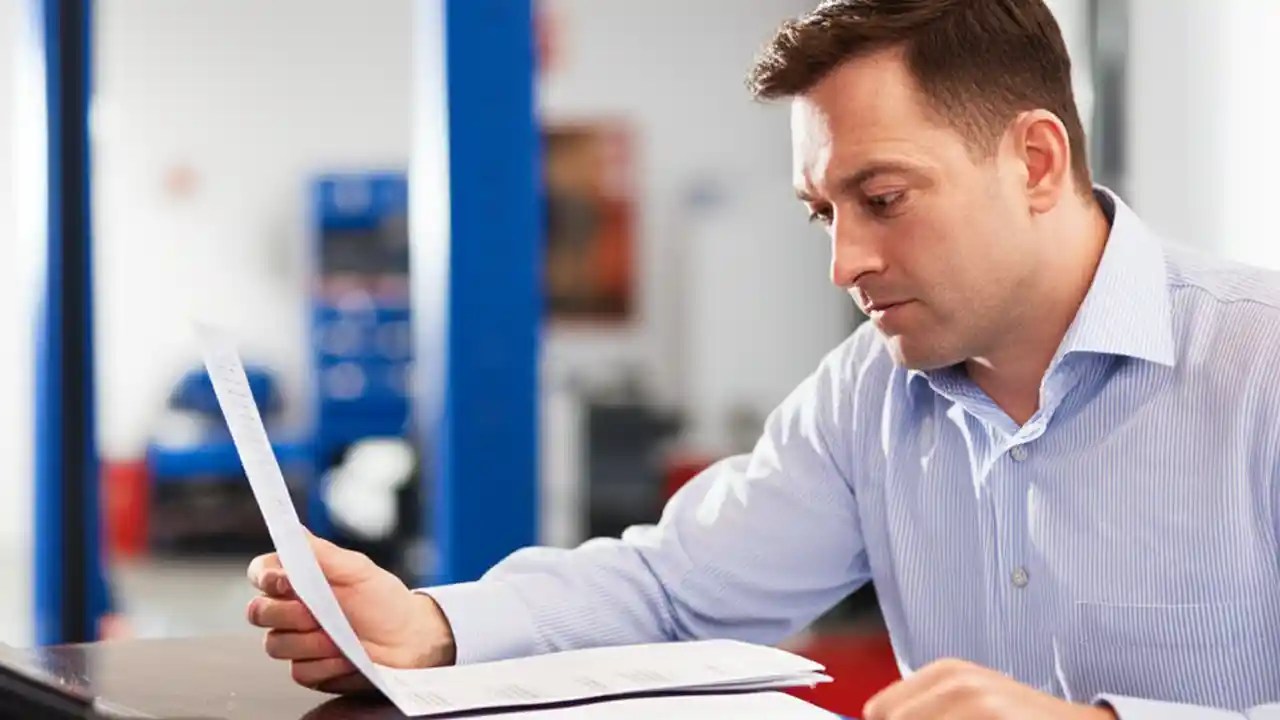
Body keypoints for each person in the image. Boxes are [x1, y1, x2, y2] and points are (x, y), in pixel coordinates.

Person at [245, 1, 1280, 717]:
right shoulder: (867, 395)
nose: (843, 263)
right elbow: (671, 590)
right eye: (821, 213)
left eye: (880, 200)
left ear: (1035, 161)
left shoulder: (1258, 366)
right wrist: (430, 625)